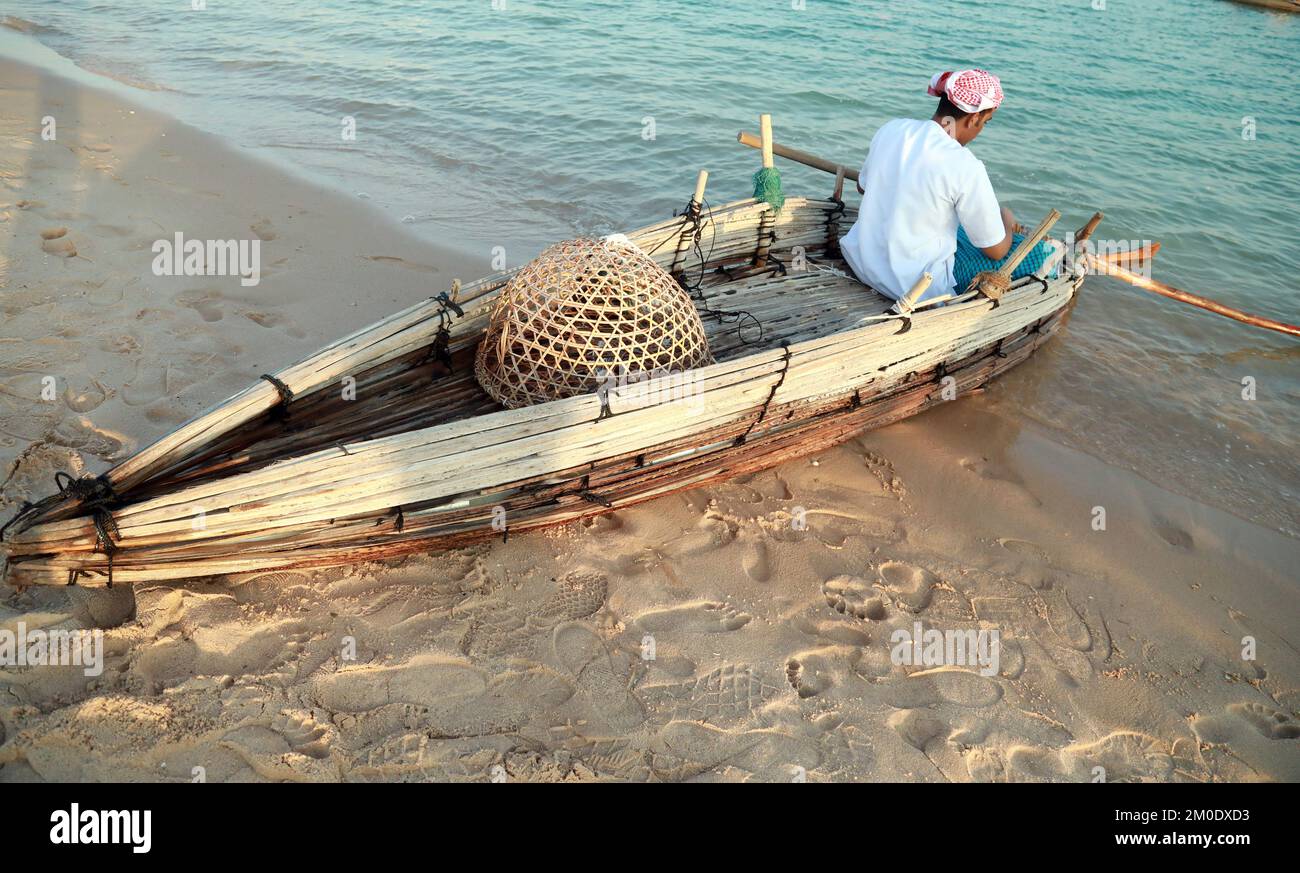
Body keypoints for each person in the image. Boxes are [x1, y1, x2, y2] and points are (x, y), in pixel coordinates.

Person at [840, 69, 1024, 306]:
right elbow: (996, 250)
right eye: (985, 122)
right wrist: (1006, 221)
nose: (980, 131)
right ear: (974, 118)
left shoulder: (892, 129)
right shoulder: (965, 165)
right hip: (910, 288)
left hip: (860, 262)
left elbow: (863, 187)